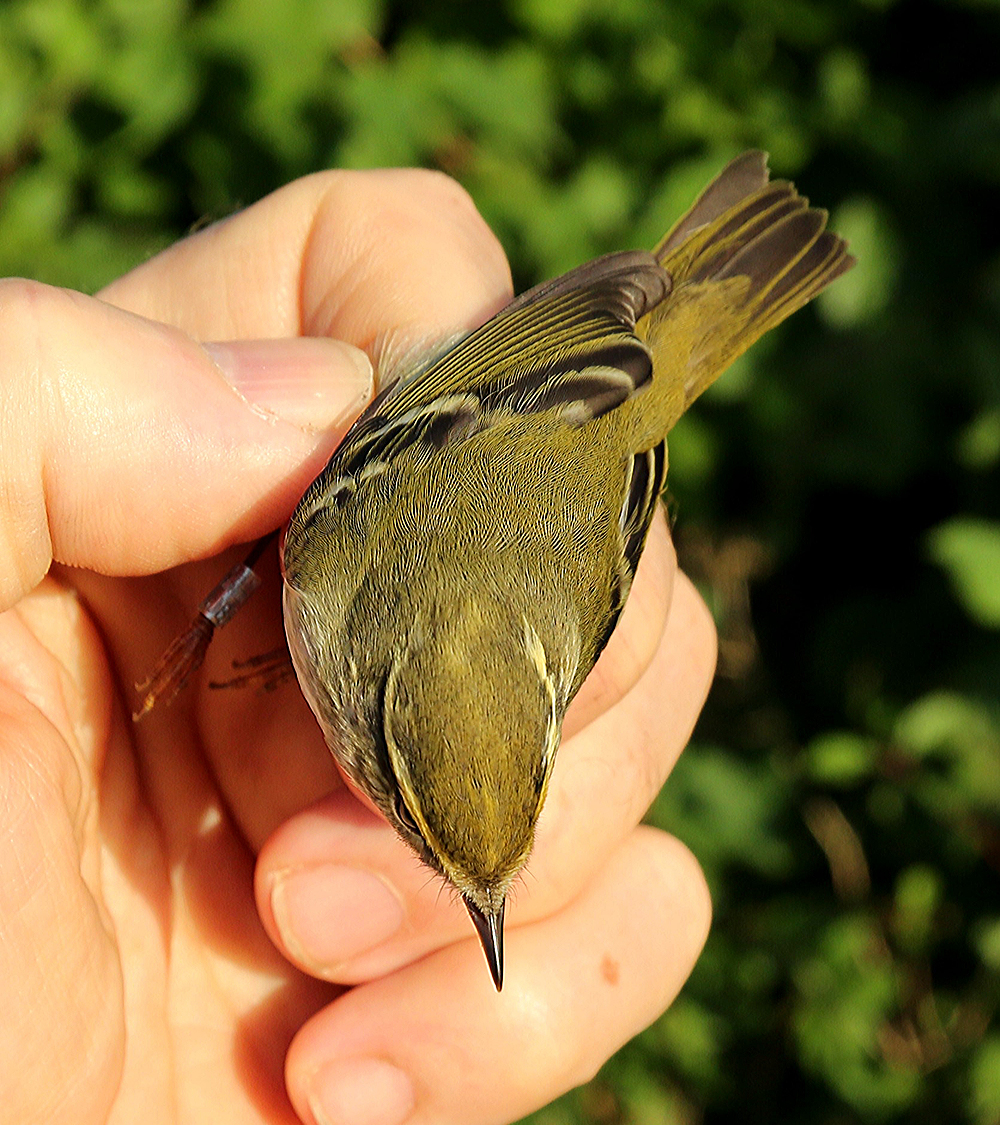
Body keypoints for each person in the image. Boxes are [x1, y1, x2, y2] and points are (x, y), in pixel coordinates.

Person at [0, 168, 715, 1125]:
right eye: (416, 832)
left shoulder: (402, 600)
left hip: (581, 418)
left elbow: (622, 468)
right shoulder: (335, 551)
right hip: (561, 422)